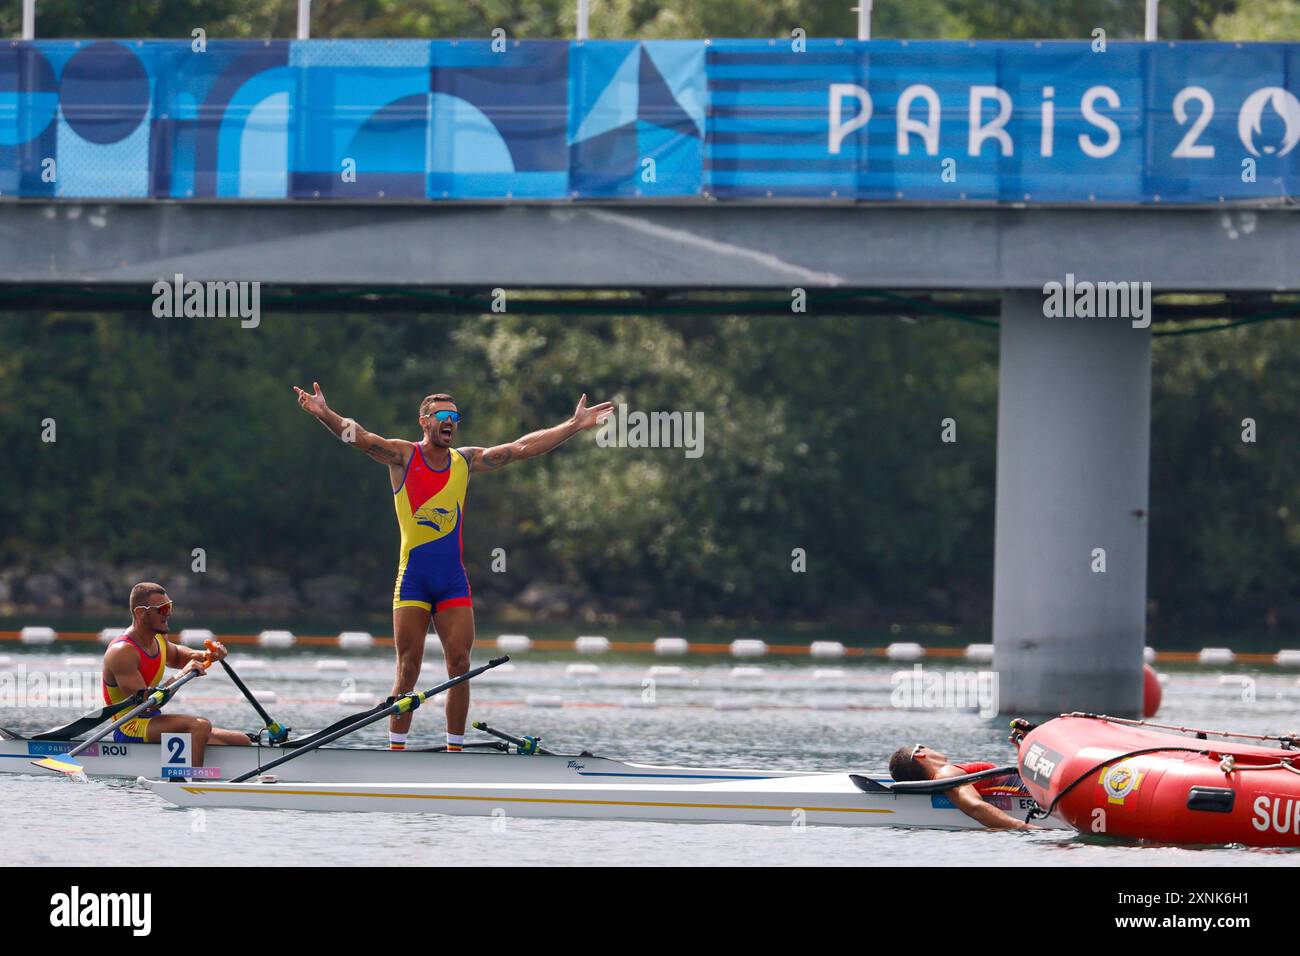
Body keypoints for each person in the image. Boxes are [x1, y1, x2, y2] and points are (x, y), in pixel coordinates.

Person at [294, 383, 612, 751]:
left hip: (452, 583)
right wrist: (324, 414)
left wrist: (572, 425)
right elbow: (362, 438)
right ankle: (396, 749)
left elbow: (522, 448)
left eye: (455, 417)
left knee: (460, 665)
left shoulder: (467, 460)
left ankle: (454, 750)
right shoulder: (402, 456)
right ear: (424, 421)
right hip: (412, 579)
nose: (450, 422)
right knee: (408, 667)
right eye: (442, 416)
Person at [102, 582, 251, 766]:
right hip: (129, 726)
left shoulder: (157, 638)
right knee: (198, 725)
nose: (169, 614)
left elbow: (178, 655)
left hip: (153, 721)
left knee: (242, 741)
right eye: (162, 609)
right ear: (141, 613)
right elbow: (145, 705)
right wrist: (182, 676)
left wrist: (207, 655)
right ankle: (193, 786)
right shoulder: (122, 652)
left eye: (169, 607)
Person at [888, 744, 1042, 830]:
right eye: (921, 746)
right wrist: (1028, 829)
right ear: (919, 755)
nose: (929, 747)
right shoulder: (945, 774)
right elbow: (975, 807)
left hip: (1036, 786)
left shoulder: (946, 774)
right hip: (1045, 795)